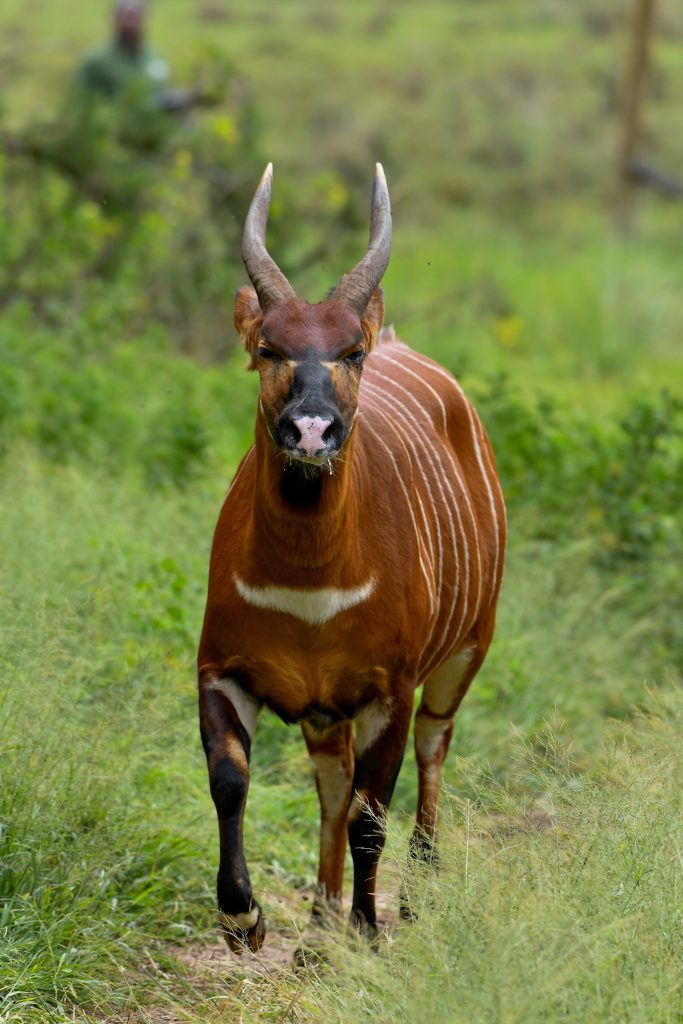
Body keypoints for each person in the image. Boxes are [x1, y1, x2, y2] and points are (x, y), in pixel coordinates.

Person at [78, 0, 191, 111]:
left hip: (159, 122)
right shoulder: (98, 60)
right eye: (126, 17)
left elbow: (162, 92)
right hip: (119, 125)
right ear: (116, 21)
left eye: (134, 17)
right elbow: (81, 100)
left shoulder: (156, 57)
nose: (130, 24)